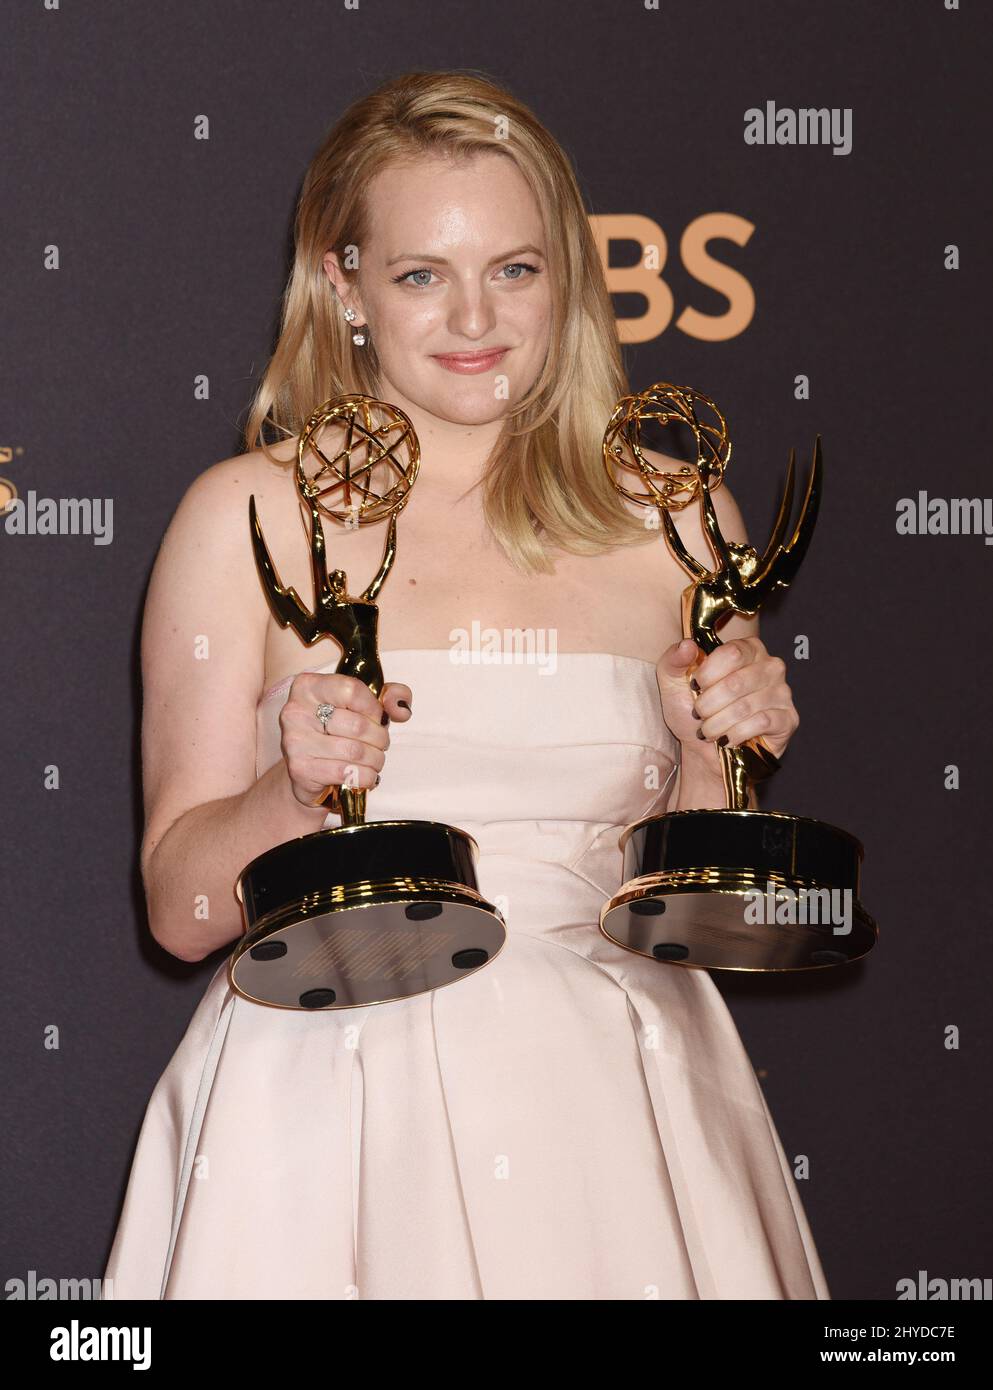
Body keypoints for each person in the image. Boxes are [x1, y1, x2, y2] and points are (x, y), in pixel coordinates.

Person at [103, 69, 830, 1300]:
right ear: (345, 290)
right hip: (332, 1100)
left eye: (515, 268)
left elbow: (704, 887)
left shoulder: (674, 510)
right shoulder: (247, 518)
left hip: (619, 1105)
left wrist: (724, 754)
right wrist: (297, 790)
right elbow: (181, 910)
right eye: (421, 274)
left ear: (570, 279)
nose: (473, 317)